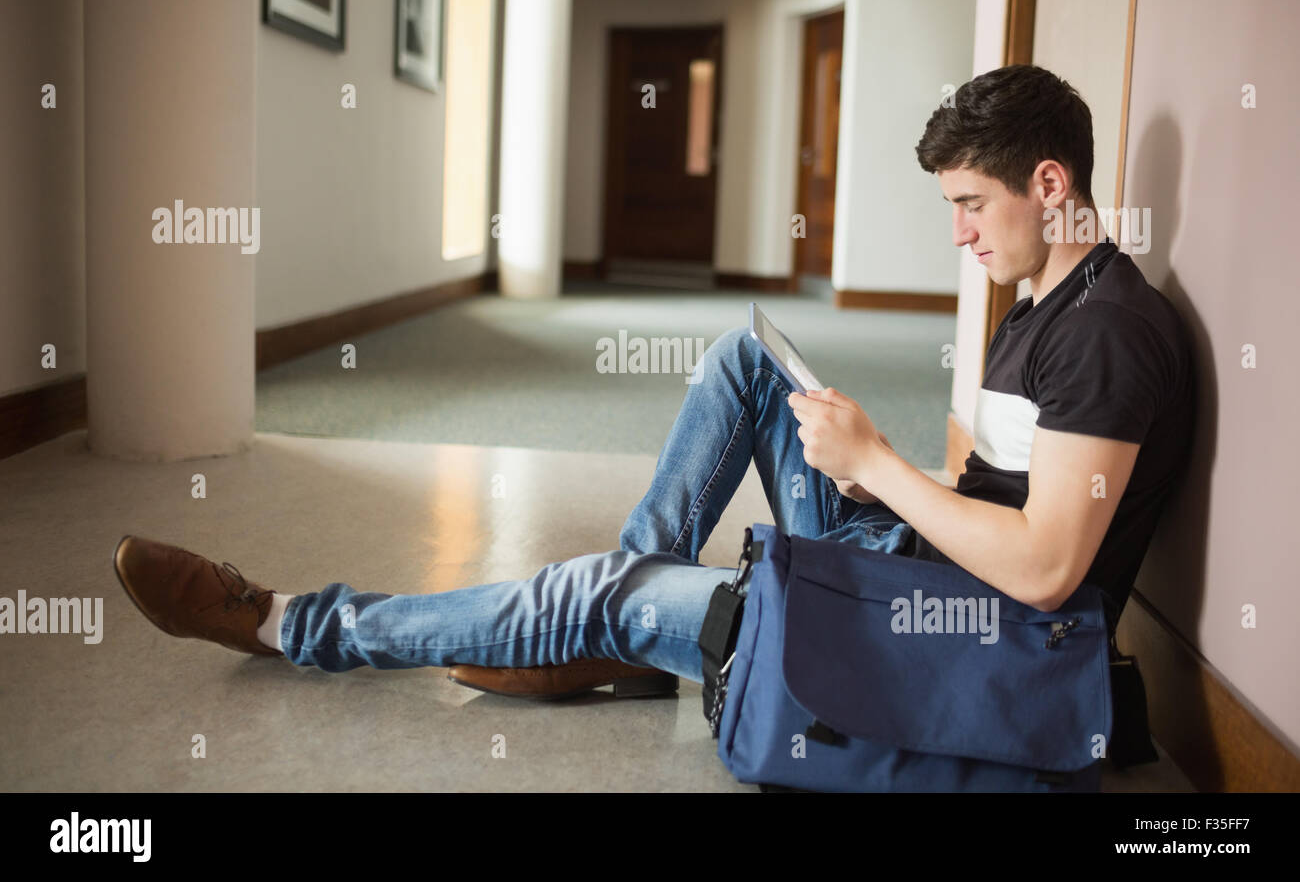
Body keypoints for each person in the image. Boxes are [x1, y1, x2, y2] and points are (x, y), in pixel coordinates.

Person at [114, 64, 1195, 702]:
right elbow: (1001, 501)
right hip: (926, 573)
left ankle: (289, 623)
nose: (957, 231)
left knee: (599, 589)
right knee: (747, 361)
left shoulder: (1107, 334)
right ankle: (625, 641)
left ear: (1047, 184)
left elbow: (1048, 573)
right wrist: (885, 480)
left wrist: (873, 464)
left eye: (969, 202)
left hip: (961, 647)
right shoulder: (1049, 301)